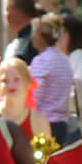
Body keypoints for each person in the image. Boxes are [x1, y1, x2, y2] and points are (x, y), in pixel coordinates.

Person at [26, 15, 75, 143]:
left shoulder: (41, 61)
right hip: (62, 123)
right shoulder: (65, 60)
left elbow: (35, 95)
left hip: (43, 123)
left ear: (39, 36)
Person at [0, 57, 51, 142]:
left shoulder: (39, 120)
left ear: (28, 82)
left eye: (16, 79)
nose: (11, 85)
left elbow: (47, 152)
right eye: (5, 80)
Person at [61, 12, 82, 138]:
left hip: (77, 129)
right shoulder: (67, 57)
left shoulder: (78, 56)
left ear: (69, 35)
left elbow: (80, 96)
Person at [1, 0, 39, 64]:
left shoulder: (36, 38)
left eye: (8, 10)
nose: (6, 15)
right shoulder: (20, 40)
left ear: (19, 13)